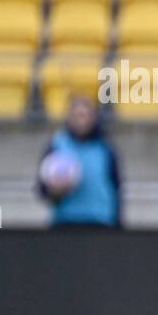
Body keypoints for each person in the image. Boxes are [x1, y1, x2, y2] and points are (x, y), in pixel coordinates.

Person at [36, 94, 123, 229]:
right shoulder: (57, 145)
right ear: (69, 118)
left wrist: (118, 222)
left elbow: (116, 186)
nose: (81, 121)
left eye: (85, 115)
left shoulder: (105, 147)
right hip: (66, 221)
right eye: (76, 116)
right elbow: (42, 188)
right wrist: (56, 192)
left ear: (94, 118)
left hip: (101, 221)